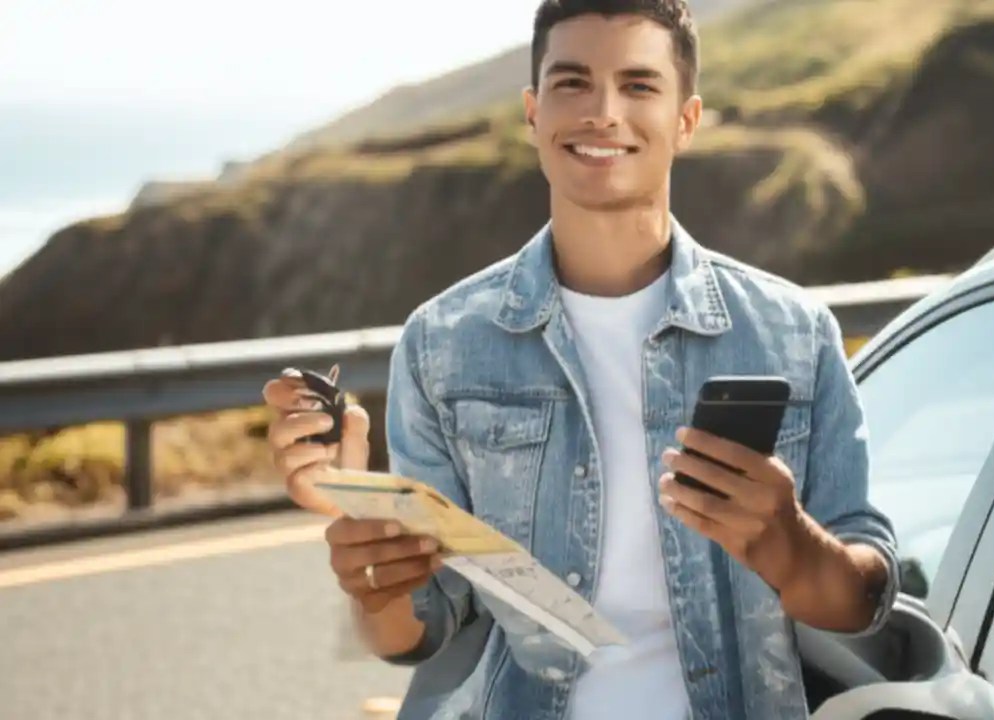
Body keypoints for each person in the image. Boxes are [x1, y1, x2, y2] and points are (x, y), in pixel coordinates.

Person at [262, 1, 898, 717]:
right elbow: (424, 630)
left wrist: (793, 546)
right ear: (533, 113)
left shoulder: (792, 333)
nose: (602, 113)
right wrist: (372, 582)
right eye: (572, 83)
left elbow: (863, 603)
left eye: (638, 85)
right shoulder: (442, 343)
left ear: (686, 120)